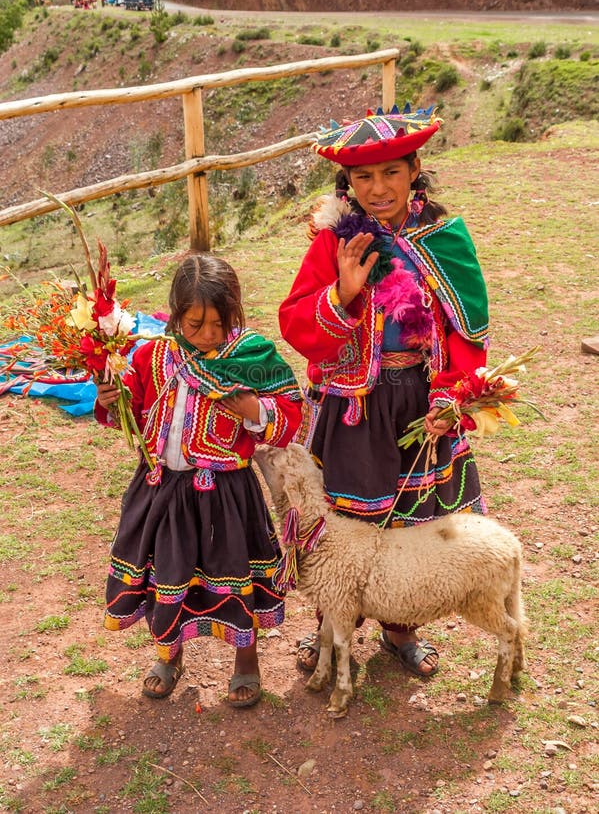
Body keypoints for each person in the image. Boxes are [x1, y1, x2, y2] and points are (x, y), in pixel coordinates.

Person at [279, 104, 489, 677]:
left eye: (391, 172)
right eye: (363, 177)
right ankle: (332, 624)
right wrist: (342, 294)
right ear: (346, 182)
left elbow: (466, 327)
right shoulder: (333, 243)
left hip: (419, 401)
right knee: (347, 522)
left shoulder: (443, 240)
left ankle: (401, 627)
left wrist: (452, 395)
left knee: (412, 522)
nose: (378, 188)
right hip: (353, 406)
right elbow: (296, 323)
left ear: (414, 167)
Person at [95, 253, 302, 708]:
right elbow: (126, 410)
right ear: (174, 314)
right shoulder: (152, 357)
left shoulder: (252, 357)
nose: (208, 334)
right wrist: (110, 398)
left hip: (225, 493)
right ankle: (170, 654)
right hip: (161, 490)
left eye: (219, 323)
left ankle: (246, 661)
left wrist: (254, 412)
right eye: (195, 324)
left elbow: (291, 417)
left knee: (235, 572)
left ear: (235, 313)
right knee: (167, 572)